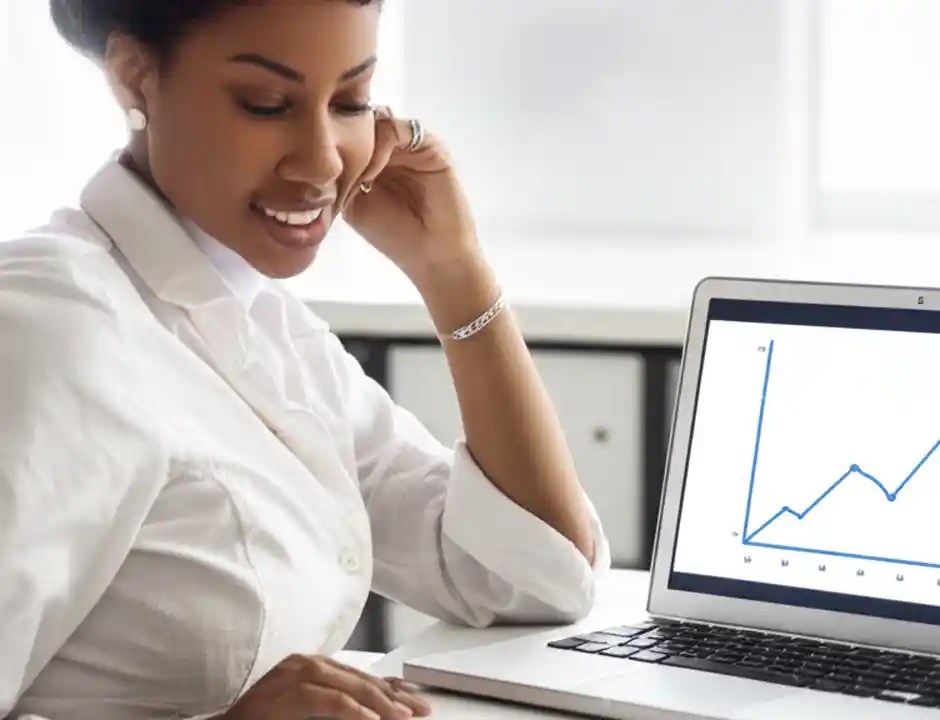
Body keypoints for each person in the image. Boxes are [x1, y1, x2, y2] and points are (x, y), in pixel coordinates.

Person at [0, 1, 611, 718]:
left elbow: (536, 578)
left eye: (351, 101)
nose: (324, 158)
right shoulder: (52, 327)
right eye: (267, 105)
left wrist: (452, 270)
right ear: (137, 81)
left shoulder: (267, 331)